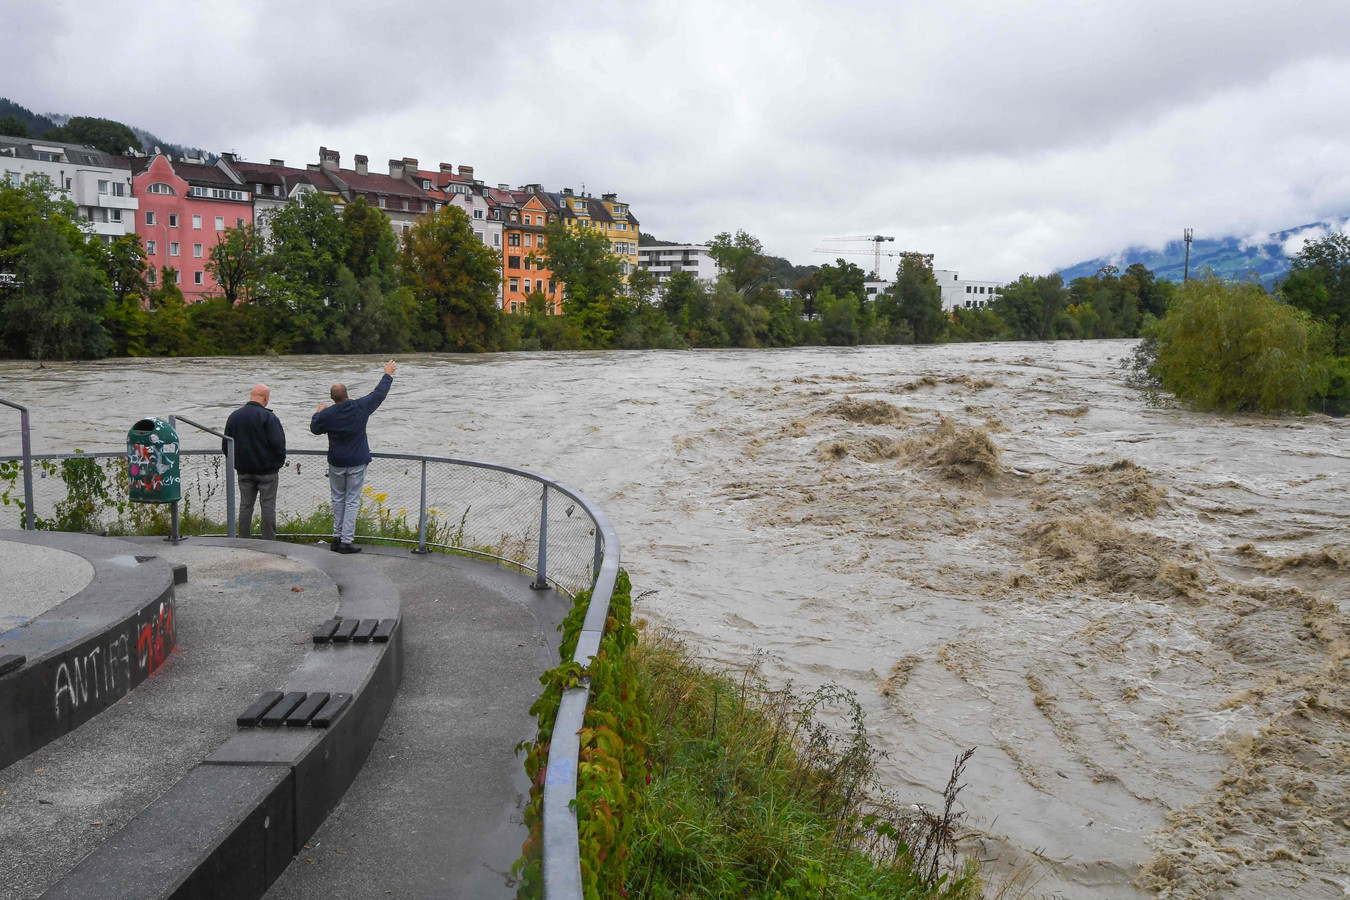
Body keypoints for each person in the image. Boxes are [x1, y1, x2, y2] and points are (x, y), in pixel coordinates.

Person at [311, 360, 397, 554]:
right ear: (347, 395)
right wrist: (387, 374)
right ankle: (346, 541)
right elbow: (379, 394)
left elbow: (315, 429)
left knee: (338, 499)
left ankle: (336, 538)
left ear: (332, 399)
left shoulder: (328, 414)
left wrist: (318, 413)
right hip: (357, 461)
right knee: (351, 501)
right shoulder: (360, 407)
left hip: (336, 462)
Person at [223, 383, 286, 540]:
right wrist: (277, 464)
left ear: (251, 395)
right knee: (268, 507)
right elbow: (279, 445)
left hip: (244, 470)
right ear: (265, 398)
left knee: (245, 506)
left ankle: (243, 540)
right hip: (267, 472)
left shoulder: (235, 416)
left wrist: (237, 463)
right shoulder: (269, 418)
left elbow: (226, 445)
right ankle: (269, 542)